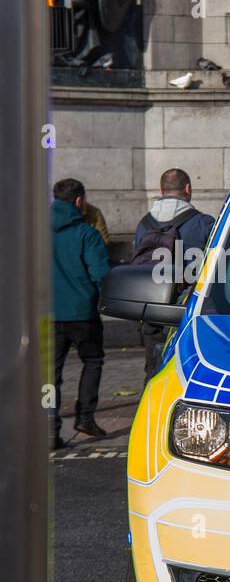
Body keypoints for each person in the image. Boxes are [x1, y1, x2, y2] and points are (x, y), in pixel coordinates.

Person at [132, 168, 215, 378]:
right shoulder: (203, 223)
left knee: (154, 368)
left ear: (161, 189)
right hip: (188, 309)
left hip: (151, 308)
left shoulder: (144, 224)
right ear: (187, 189)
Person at [51, 178, 112, 448]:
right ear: (79, 201)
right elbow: (101, 274)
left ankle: (50, 428)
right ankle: (85, 417)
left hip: (45, 314)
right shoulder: (87, 234)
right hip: (82, 313)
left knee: (50, 372)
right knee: (93, 361)